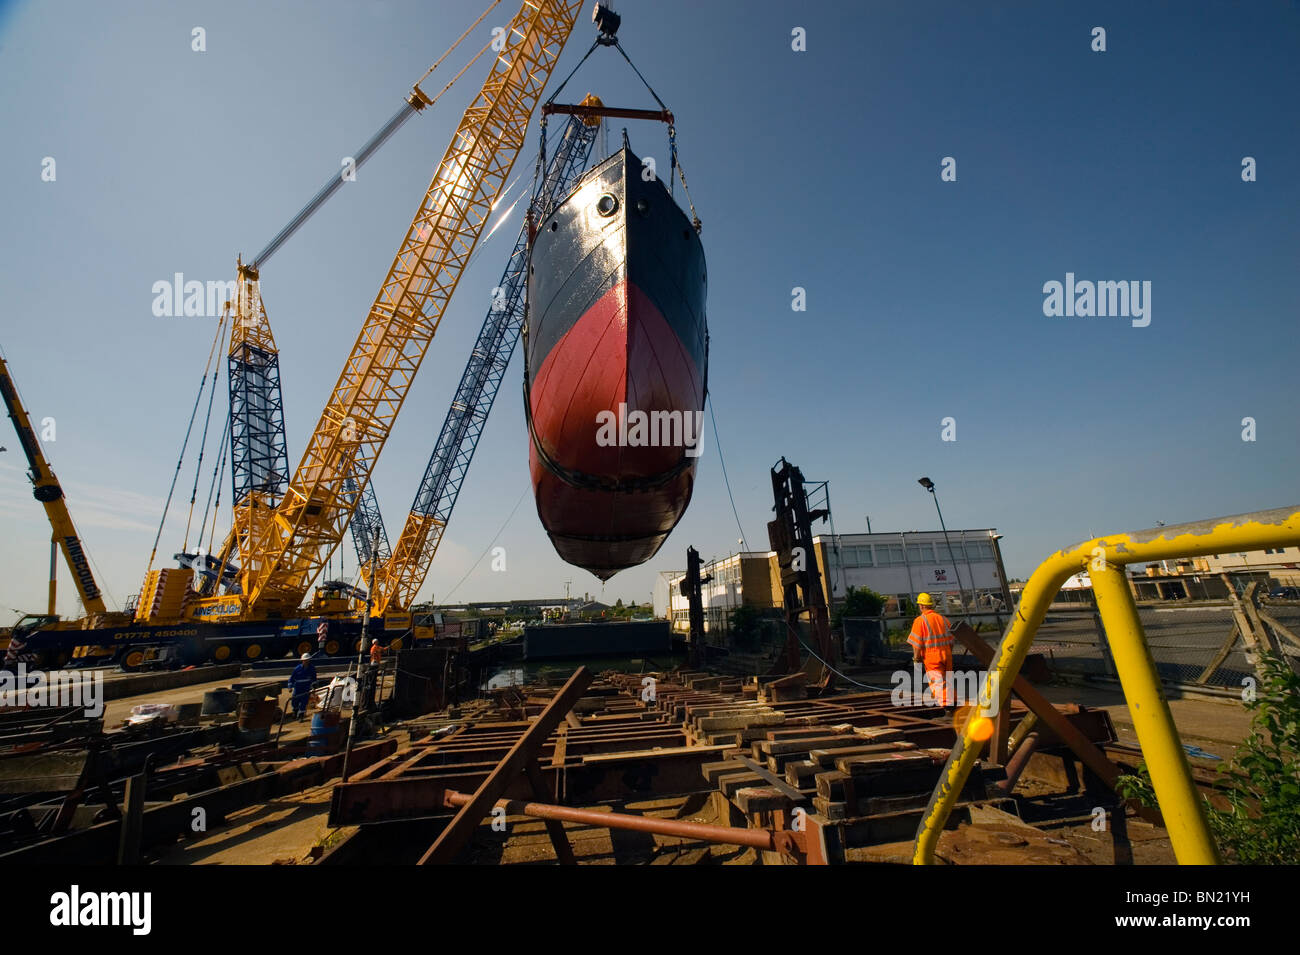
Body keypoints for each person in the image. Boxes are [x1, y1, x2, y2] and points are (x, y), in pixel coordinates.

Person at [908, 593, 954, 712]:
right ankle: (952, 704)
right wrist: (948, 653)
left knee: (938, 684)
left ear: (922, 606)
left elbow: (917, 645)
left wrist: (916, 659)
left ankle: (948, 710)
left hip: (932, 657)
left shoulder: (920, 621)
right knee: (947, 682)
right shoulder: (943, 619)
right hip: (947, 654)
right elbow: (951, 640)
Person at [287, 652, 317, 721]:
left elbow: (314, 679)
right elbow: (291, 679)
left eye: (308, 660)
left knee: (304, 703)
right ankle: (295, 712)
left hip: (306, 689)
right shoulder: (297, 669)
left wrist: (314, 686)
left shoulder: (312, 669)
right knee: (295, 702)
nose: (306, 661)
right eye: (305, 660)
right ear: (302, 661)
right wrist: (290, 687)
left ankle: (301, 716)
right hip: (297, 688)